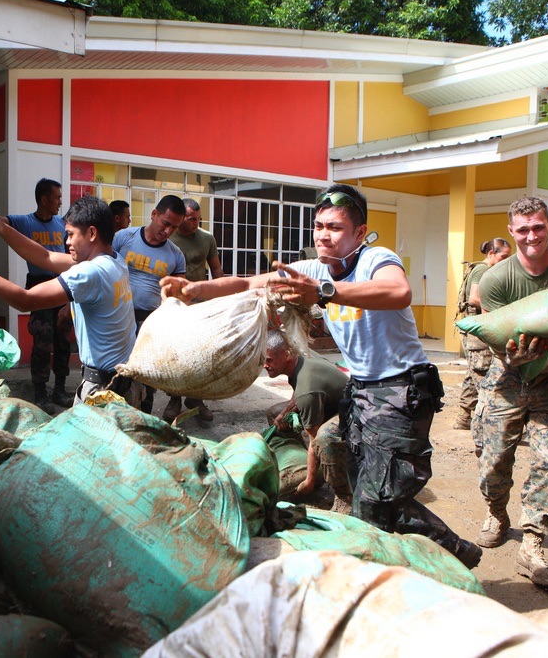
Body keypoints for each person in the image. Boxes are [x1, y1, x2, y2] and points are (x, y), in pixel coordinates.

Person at [161, 183, 482, 570]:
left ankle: (431, 558)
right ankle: (432, 538)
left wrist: (324, 292)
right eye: (318, 226)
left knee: (377, 504)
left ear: (359, 233)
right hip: (361, 391)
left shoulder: (376, 259)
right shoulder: (312, 270)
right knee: (347, 462)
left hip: (400, 390)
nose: (323, 235)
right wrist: (195, 289)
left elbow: (399, 292)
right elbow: (247, 284)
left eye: (334, 227)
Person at [473, 196, 548, 588]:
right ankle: (496, 512)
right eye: (522, 229)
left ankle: (534, 543)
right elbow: (495, 337)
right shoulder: (495, 279)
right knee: (493, 462)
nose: (531, 236)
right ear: (511, 231)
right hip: (505, 379)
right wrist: (514, 356)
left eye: (537, 227)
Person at [0, 196, 140, 406]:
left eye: (70, 235)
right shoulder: (114, 259)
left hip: (103, 390)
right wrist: (0, 228)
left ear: (92, 233)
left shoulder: (91, 271)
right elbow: (45, 257)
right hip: (123, 381)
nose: (67, 242)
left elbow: (25, 300)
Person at [113, 194, 187, 414]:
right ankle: (115, 418)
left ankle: (143, 419)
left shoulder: (176, 255)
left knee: (147, 377)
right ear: (154, 214)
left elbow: (177, 296)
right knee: (117, 372)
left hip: (150, 322)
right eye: (166, 223)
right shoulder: (123, 237)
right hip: (119, 316)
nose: (168, 231)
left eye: (174, 227)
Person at [263, 329, 350, 508]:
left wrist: (308, 482)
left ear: (286, 355)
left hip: (353, 414)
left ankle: (343, 493)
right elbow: (301, 386)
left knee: (323, 439)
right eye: (263, 359)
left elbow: (314, 440)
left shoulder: (307, 392)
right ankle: (304, 462)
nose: (265, 365)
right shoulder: (301, 356)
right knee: (275, 414)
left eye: (269, 360)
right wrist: (286, 410)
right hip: (326, 402)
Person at [5, 178, 72, 407]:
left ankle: (60, 389)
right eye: (57, 197)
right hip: (38, 285)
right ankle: (41, 392)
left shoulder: (63, 225)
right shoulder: (24, 222)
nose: (60, 202)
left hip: (62, 284)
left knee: (63, 339)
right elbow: (0, 223)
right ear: (44, 199)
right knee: (43, 341)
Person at [162, 197, 225, 423]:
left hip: (201, 306)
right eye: (191, 219)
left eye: (199, 219)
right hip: (175, 305)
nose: (196, 222)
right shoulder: (169, 238)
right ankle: (174, 399)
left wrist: (221, 298)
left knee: (201, 353)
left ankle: (196, 398)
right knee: (176, 354)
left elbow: (216, 269)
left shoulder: (207, 238)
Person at [455, 237, 512, 437]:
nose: (506, 260)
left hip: (476, 328)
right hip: (477, 329)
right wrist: (503, 309)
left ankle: (463, 418)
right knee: (484, 377)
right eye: (503, 256)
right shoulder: (482, 270)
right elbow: (474, 298)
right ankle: (489, 428)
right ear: (491, 254)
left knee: (474, 373)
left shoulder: (488, 270)